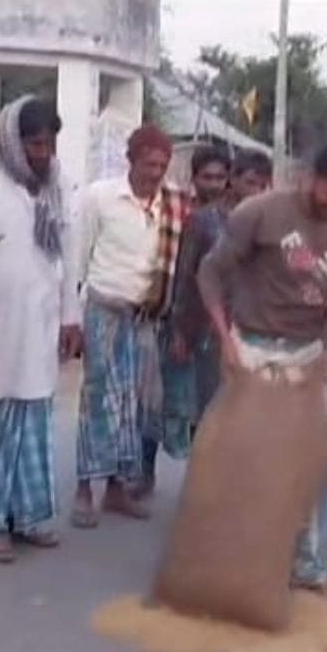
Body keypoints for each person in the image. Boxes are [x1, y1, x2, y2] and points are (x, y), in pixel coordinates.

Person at [198, 139, 327, 591]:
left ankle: (305, 557)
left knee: (315, 460)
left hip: (306, 350)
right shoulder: (259, 212)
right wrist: (224, 339)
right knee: (236, 454)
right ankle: (225, 553)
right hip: (251, 345)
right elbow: (211, 273)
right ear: (311, 178)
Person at [0, 96, 82, 563]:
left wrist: (71, 316)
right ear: (12, 140)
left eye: (48, 144)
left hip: (42, 320)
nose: (42, 153)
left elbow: (69, 250)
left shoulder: (58, 183)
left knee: (35, 419)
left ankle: (29, 517)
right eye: (33, 144)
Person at [73, 125, 190, 524]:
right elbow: (78, 258)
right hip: (104, 310)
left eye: (162, 165)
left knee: (134, 406)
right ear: (130, 160)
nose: (155, 172)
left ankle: (119, 489)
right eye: (148, 164)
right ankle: (86, 489)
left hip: (145, 318)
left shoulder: (173, 204)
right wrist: (71, 320)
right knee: (97, 400)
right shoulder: (100, 197)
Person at [170, 146, 234, 423]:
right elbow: (184, 276)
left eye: (219, 178)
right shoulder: (188, 215)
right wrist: (179, 332)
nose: (213, 184)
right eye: (206, 177)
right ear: (194, 178)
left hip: (231, 328)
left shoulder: (234, 217)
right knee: (193, 407)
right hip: (195, 325)